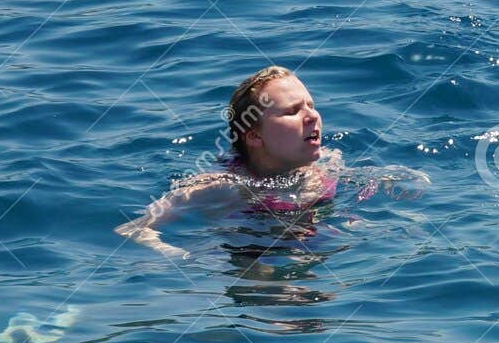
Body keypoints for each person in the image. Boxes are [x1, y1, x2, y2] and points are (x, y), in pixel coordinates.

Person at [115, 66, 340, 260]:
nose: (312, 116)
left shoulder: (330, 162)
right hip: (247, 254)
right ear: (254, 136)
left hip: (306, 244)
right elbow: (132, 229)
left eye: (311, 105)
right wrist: (182, 257)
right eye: (292, 111)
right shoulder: (220, 185)